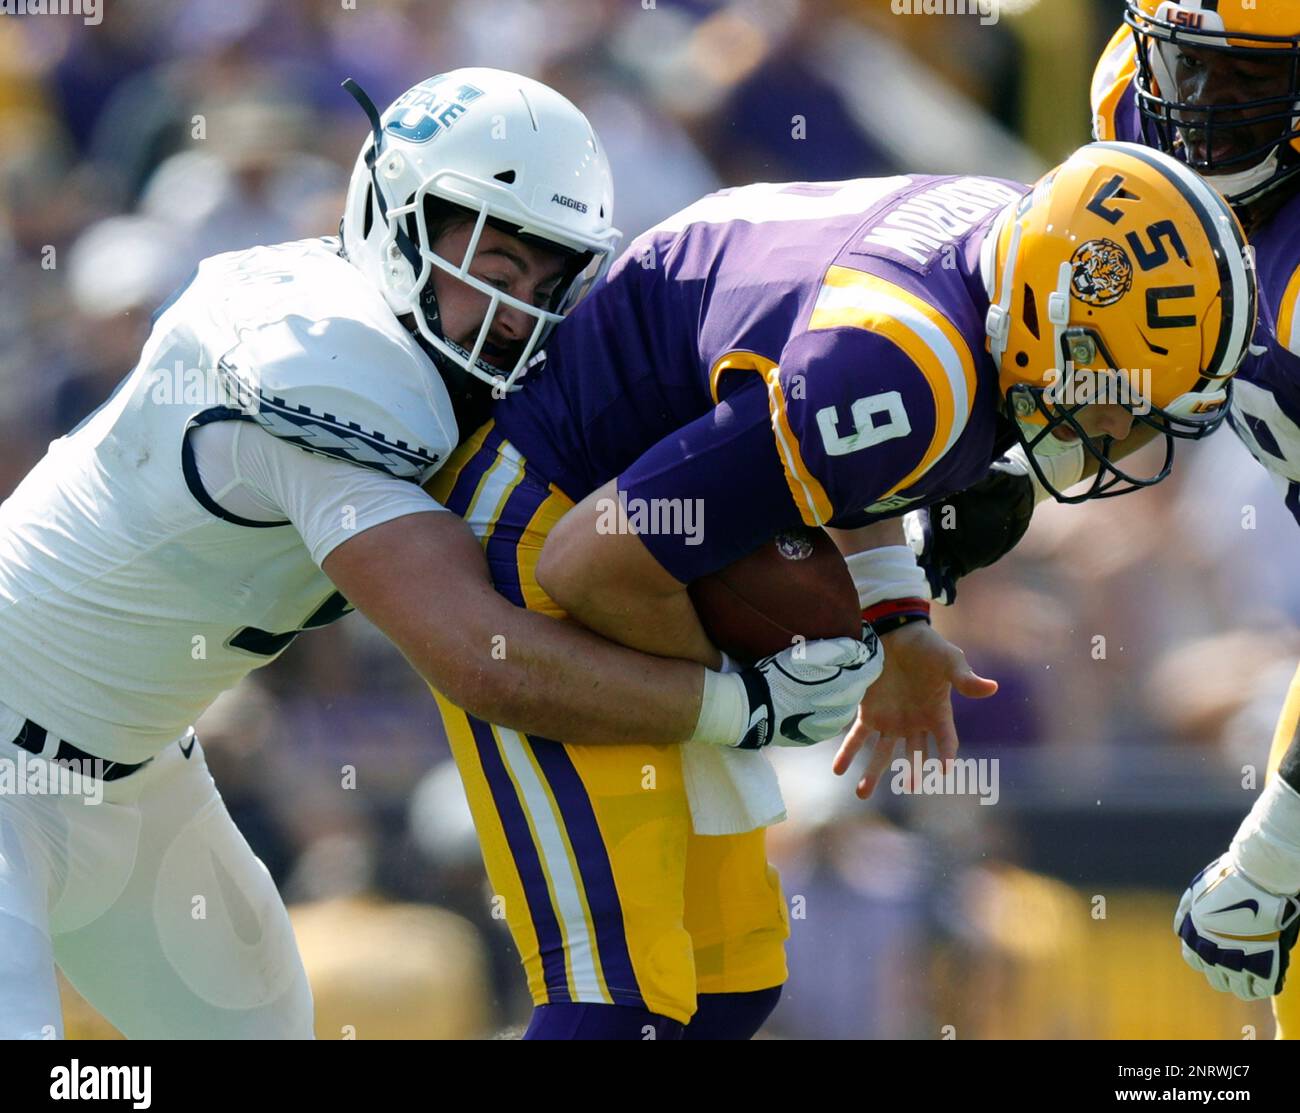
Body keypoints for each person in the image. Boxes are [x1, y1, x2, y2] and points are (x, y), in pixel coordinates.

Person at [0, 68, 876, 1039]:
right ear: (395, 217)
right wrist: (736, 705)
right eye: (496, 273)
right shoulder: (318, 360)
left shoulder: (431, 365)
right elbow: (478, 656)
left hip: (138, 777)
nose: (517, 315)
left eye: (547, 284)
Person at [427, 140, 1257, 1038]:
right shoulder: (907, 367)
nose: (1117, 426)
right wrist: (748, 698)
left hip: (637, 499)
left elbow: (829, 449)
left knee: (728, 980)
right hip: (540, 514)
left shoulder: (1009, 253)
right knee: (619, 990)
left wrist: (896, 617)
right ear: (1047, 311)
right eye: (1113, 388)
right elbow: (591, 562)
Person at [914, 0, 1300, 1033]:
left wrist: (1273, 844)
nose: (1202, 115)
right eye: (1190, 71)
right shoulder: (1131, 101)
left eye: (1250, 83)